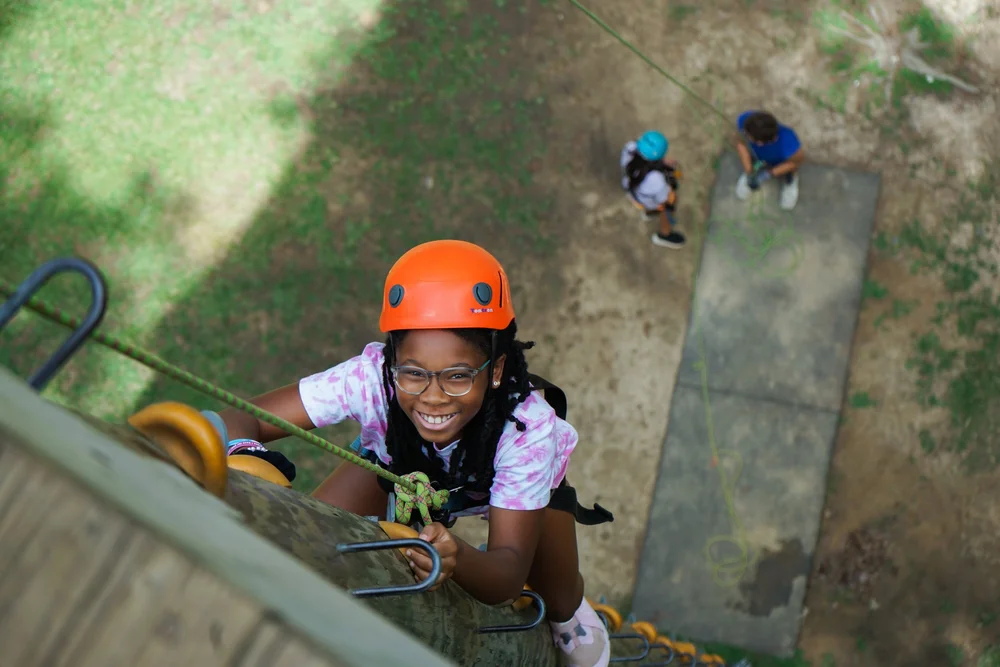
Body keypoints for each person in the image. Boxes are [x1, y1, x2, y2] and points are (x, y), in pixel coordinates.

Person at [211, 240, 614, 667]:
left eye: (458, 376)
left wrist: (457, 557)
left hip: (513, 482)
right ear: (392, 361)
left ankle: (571, 616)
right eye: (413, 372)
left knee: (559, 595)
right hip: (397, 466)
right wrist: (245, 453)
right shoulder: (372, 378)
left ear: (495, 370)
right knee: (312, 537)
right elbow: (240, 418)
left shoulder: (527, 431)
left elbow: (507, 574)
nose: (433, 397)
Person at [620, 130, 687, 250]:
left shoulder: (630, 148)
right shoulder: (656, 180)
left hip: (631, 190)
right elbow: (664, 199)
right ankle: (664, 235)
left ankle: (649, 213)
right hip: (646, 199)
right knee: (669, 206)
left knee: (653, 200)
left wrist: (662, 162)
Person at [733, 110, 805, 210]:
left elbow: (795, 162)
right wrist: (749, 171)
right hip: (758, 157)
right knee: (753, 164)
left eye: (750, 138)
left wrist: (768, 174)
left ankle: (790, 181)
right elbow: (740, 143)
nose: (746, 137)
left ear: (761, 143)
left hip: (780, 162)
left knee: (790, 171)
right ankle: (752, 172)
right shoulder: (745, 121)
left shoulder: (788, 144)